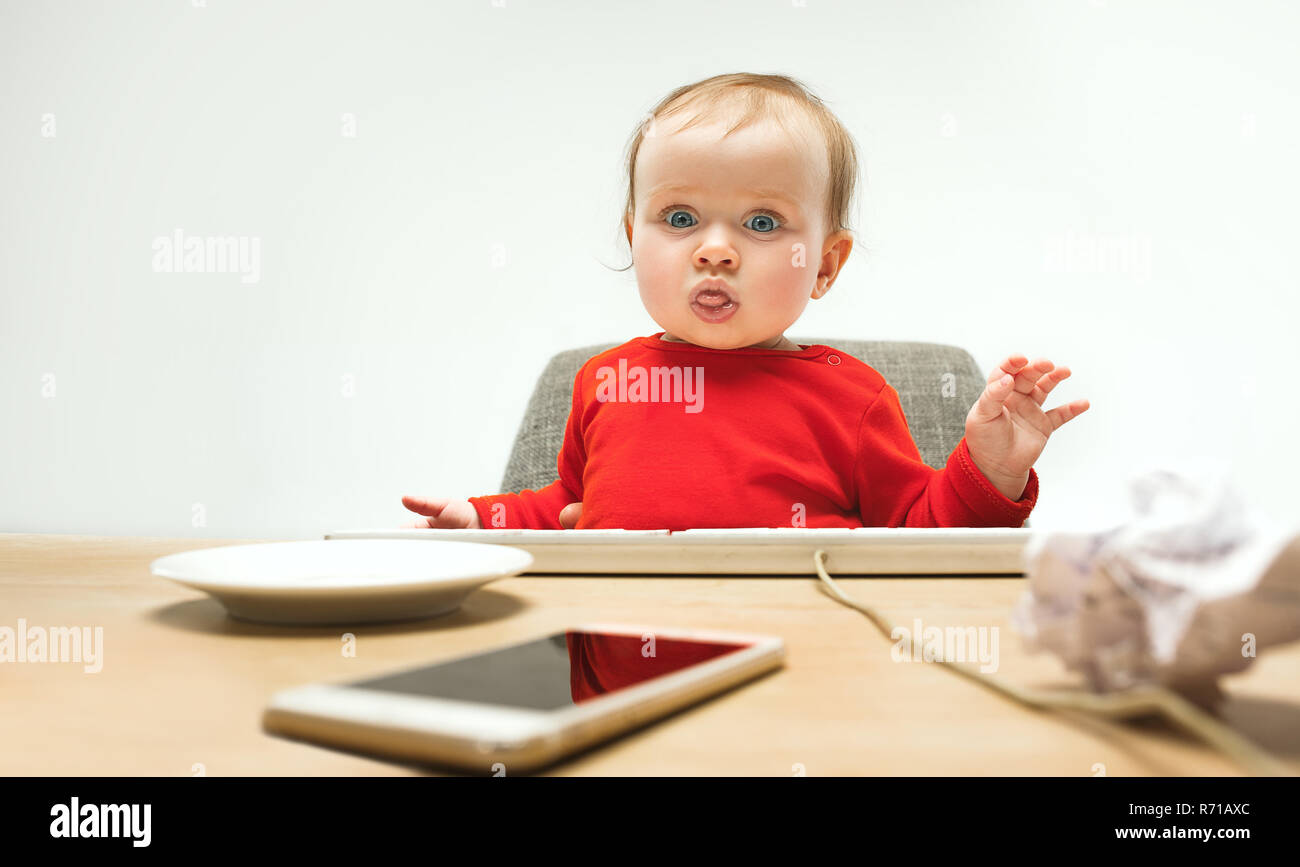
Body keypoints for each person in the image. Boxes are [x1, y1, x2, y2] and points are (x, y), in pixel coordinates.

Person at [403, 73, 1089, 531]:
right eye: (678, 219)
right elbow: (562, 509)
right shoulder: (605, 383)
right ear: (632, 238)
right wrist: (482, 515)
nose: (715, 250)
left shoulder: (852, 400)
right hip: (622, 719)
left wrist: (993, 470)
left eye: (762, 224)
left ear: (824, 264)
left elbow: (921, 533)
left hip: (805, 694)